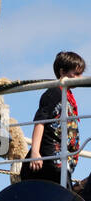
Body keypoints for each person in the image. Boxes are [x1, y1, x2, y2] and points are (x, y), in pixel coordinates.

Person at [22, 51, 85, 187]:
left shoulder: (66, 96)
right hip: (50, 158)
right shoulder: (54, 93)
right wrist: (35, 152)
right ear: (62, 72)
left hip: (61, 158)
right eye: (76, 73)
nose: (80, 77)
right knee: (62, 196)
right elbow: (40, 122)